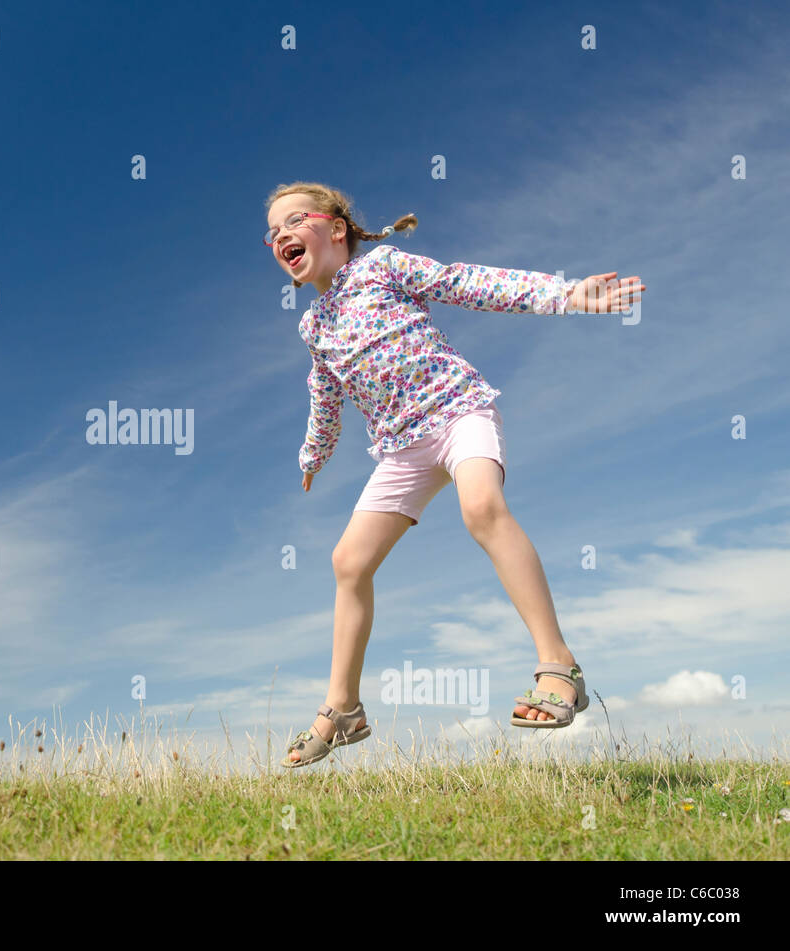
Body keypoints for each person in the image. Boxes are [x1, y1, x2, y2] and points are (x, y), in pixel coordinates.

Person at [264, 181, 646, 767]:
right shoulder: (313, 327)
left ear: (336, 228)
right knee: (348, 562)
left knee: (481, 508)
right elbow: (325, 397)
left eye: (294, 220)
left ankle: (558, 666)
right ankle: (343, 708)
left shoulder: (385, 268)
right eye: (271, 232)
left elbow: (467, 283)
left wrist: (565, 294)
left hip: (457, 410)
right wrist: (313, 454)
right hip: (400, 450)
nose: (281, 235)